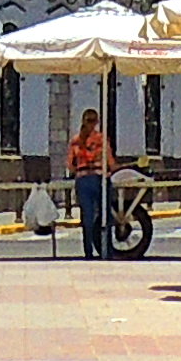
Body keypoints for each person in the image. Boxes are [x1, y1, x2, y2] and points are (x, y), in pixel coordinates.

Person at [68, 107, 114, 260]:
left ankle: (88, 251)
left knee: (87, 217)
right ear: (97, 122)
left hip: (82, 180)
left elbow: (70, 165)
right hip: (99, 179)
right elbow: (110, 162)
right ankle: (106, 249)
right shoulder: (101, 139)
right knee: (105, 215)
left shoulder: (75, 141)